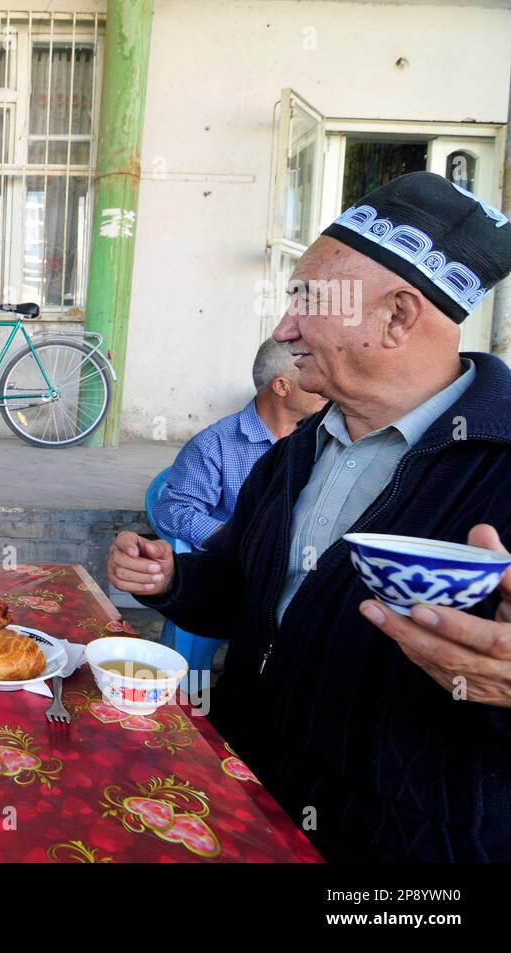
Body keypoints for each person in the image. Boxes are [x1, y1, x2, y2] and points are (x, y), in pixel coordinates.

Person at [108, 172, 511, 862]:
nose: (283, 327)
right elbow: (238, 592)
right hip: (241, 803)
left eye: (307, 300)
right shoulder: (294, 457)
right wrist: (174, 577)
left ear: (398, 315)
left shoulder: (499, 466)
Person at [154, 338, 326, 549]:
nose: (323, 384)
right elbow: (174, 510)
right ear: (281, 386)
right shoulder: (215, 445)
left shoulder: (320, 438)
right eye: (312, 374)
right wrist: (240, 541)